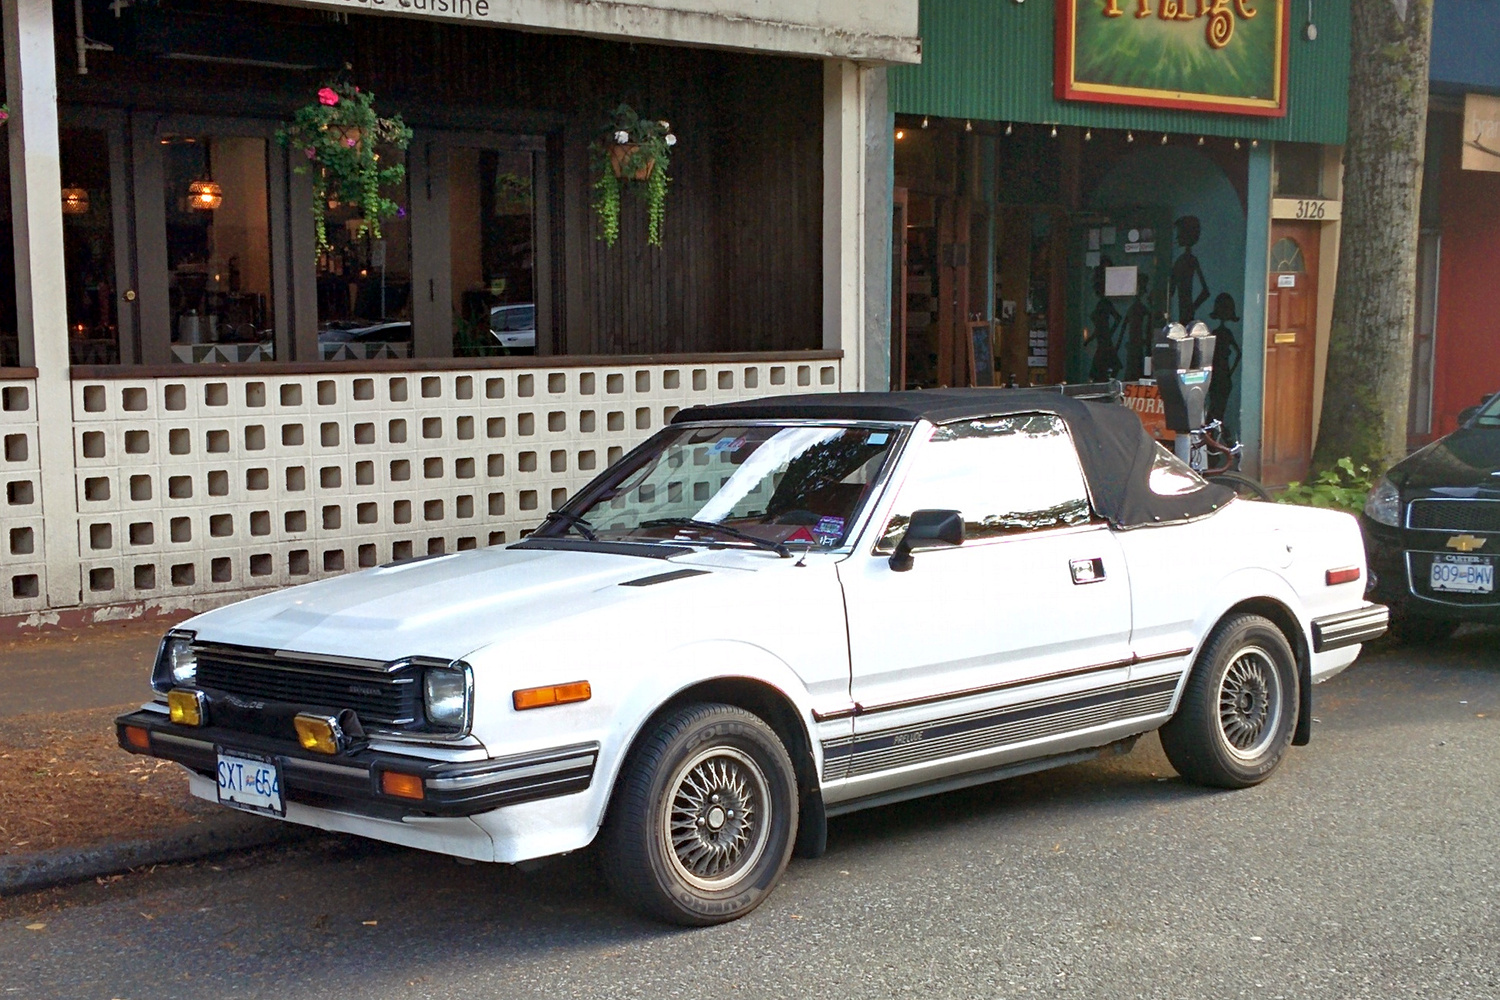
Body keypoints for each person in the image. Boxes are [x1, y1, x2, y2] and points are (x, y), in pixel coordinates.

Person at [1206, 292, 1241, 425]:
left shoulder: (1220, 333)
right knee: (1216, 410)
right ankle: (1216, 437)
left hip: (1221, 377)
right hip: (1220, 377)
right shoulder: (1219, 333)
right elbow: (1238, 354)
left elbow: (1238, 354)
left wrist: (1230, 372)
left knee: (1216, 411)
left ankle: (1218, 436)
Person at [1086, 258, 1122, 382]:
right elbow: (1099, 327)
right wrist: (1089, 339)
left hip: (1104, 339)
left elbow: (1118, 318)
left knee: (1107, 363)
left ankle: (1109, 384)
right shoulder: (1101, 304)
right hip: (1102, 338)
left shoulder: (1105, 303)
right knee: (1104, 363)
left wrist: (1109, 332)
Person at [1169, 216, 1210, 324]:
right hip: (1183, 313)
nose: (1177, 237)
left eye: (1180, 233)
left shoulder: (1185, 261)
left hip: (1185, 312)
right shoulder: (1182, 261)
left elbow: (1205, 291)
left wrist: (1191, 308)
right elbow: (1170, 290)